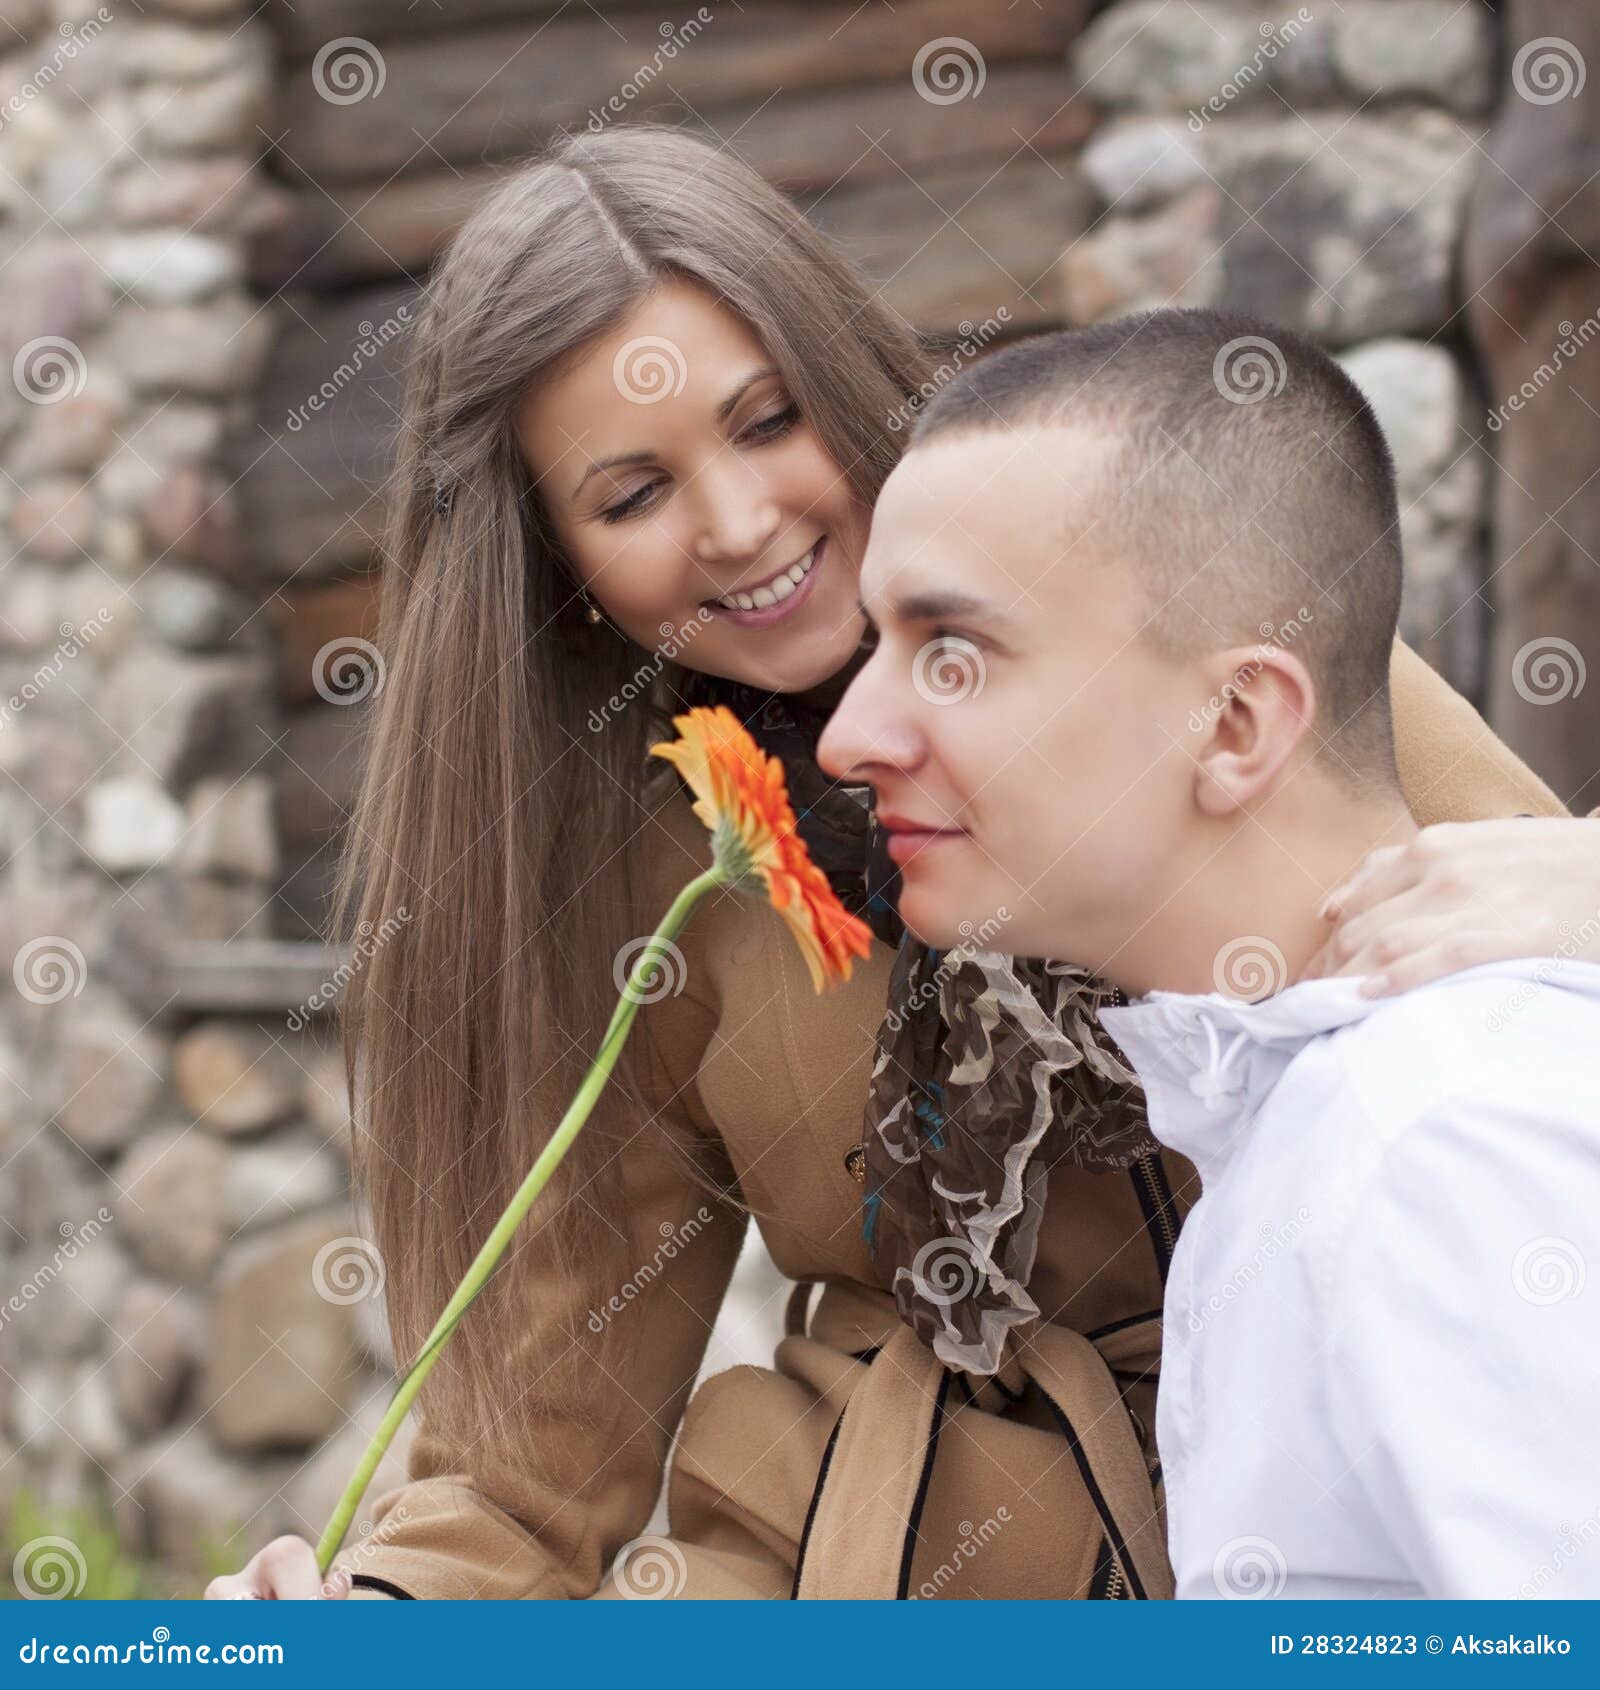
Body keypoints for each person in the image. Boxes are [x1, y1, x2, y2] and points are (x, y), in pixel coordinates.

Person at [205, 126, 1588, 1602]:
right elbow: (535, 1446)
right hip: (890, 1556)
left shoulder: (1172, 619)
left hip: (1320, 1486)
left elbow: (1516, 1013)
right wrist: (364, 1618)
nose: (740, 526)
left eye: (766, 418)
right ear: (552, 567)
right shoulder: (637, 871)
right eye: (630, 497)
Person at [817, 307, 1600, 1599]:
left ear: (1236, 721)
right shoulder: (1313, 1136)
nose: (852, 734)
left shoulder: (1428, 1144)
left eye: (951, 653)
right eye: (878, 647)